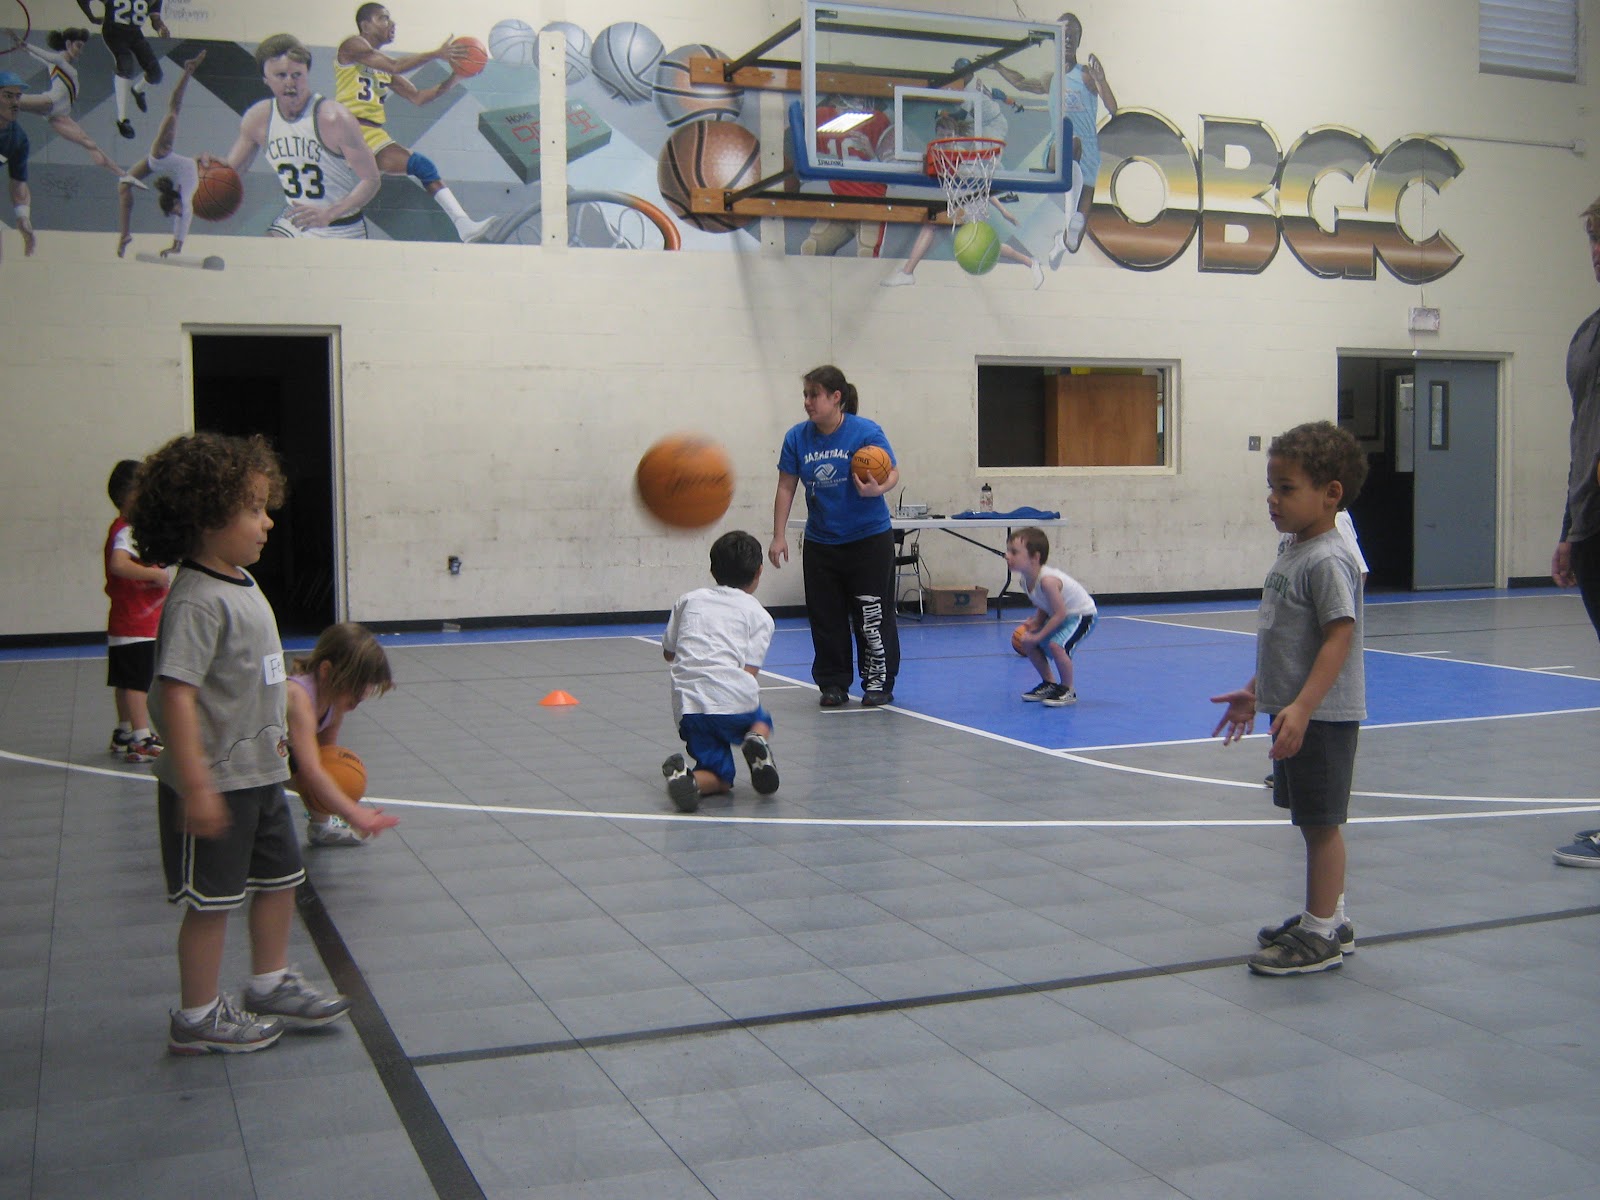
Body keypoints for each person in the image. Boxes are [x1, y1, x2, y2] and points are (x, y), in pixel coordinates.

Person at [132, 431, 350, 1055]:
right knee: (212, 903)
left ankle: (270, 980)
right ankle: (197, 1016)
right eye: (253, 508)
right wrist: (196, 784)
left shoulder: (242, 583)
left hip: (260, 775)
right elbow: (176, 694)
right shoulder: (197, 601)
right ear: (206, 518)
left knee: (280, 879)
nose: (268, 520)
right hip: (216, 783)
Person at [1210, 420, 1368, 976]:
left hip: (1322, 716)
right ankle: (1330, 917)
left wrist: (1302, 707)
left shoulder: (1327, 559)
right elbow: (1287, 639)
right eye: (1271, 487)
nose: (1272, 499)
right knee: (1309, 820)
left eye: (1286, 488)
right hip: (1296, 710)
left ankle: (1321, 935)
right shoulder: (1294, 549)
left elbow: (1338, 637)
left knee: (1322, 824)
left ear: (1330, 494)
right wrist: (1258, 693)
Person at [768, 364, 901, 707]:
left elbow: (892, 472)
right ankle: (833, 683)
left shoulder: (865, 431)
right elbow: (786, 487)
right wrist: (779, 535)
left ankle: (878, 682)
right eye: (805, 395)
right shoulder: (796, 438)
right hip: (821, 541)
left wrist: (878, 489)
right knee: (826, 616)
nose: (807, 402)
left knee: (871, 615)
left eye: (814, 395)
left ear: (836, 397)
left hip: (868, 539)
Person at [336, 4, 496, 243]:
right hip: (350, 130)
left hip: (372, 133)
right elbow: (395, 65)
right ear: (365, 25)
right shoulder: (353, 46)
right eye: (383, 18)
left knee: (422, 167)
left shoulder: (382, 68)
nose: (392, 24)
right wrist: (436, 54)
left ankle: (464, 226)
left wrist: (455, 77)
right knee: (415, 167)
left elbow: (418, 97)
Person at [881, 62, 1043, 288]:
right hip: (954, 199)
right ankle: (907, 272)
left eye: (947, 134)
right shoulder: (938, 154)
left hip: (970, 203)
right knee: (935, 227)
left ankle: (1030, 262)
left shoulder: (964, 156)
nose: (943, 137)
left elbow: (980, 188)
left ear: (955, 136)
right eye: (940, 134)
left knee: (984, 244)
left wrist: (1003, 210)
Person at [211, 34, 381, 239]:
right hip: (295, 221)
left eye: (297, 74)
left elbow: (371, 180)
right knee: (264, 251)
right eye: (281, 75)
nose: (290, 82)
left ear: (306, 73)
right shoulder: (259, 118)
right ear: (265, 79)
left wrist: (329, 214)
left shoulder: (335, 117)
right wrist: (204, 173)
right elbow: (232, 173)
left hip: (340, 224)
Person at [660, 531, 779, 814]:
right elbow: (749, 672)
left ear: (712, 569)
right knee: (760, 719)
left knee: (720, 776)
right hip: (734, 703)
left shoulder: (688, 600)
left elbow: (668, 653)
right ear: (759, 571)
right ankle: (756, 740)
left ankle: (688, 781)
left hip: (690, 708)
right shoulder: (760, 616)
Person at [1551, 194, 1600, 868]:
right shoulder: (1588, 331)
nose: (1598, 252)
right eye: (1594, 239)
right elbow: (1581, 433)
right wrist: (1570, 526)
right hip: (1592, 528)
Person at [994, 11, 1117, 266]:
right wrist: (998, 66)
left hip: (1089, 153)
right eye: (1065, 34)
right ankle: (1070, 217)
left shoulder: (1086, 75)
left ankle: (1062, 242)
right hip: (1059, 146)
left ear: (1079, 40)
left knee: (1074, 244)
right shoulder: (1051, 79)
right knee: (1071, 142)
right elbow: (1021, 83)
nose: (1068, 39)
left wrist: (1102, 81)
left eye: (1073, 36)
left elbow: (1113, 108)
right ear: (1056, 38)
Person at [286, 622, 401, 846]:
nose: (363, 694)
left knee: (331, 767)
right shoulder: (297, 697)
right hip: (239, 764)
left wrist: (337, 805)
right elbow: (310, 770)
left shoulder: (333, 700)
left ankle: (321, 827)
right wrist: (353, 813)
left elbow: (326, 759)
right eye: (356, 686)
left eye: (367, 686)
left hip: (276, 761)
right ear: (326, 671)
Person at [104, 458, 170, 763]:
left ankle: (124, 730)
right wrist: (154, 575)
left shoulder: (121, 527)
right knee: (137, 682)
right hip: (136, 623)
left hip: (124, 621)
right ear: (130, 494)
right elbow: (119, 564)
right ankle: (142, 737)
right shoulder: (128, 530)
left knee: (124, 679)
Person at [116, 51, 204, 259]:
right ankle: (125, 235)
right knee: (174, 110)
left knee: (174, 111)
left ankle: (188, 70)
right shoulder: (184, 201)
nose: (177, 214)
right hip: (162, 157)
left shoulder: (183, 200)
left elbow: (181, 221)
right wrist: (177, 246)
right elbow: (184, 219)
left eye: (174, 212)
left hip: (161, 159)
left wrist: (176, 246)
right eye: (175, 212)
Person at [20, 29, 135, 180]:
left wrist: (25, 48)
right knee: (15, 102)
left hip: (60, 115)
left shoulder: (61, 64)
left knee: (90, 143)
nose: (80, 51)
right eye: (78, 46)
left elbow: (39, 56)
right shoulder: (59, 59)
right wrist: (26, 45)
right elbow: (45, 55)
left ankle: (122, 174)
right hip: (50, 103)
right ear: (68, 44)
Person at [1005, 526, 1097, 705]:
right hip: (1061, 614)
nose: (1007, 556)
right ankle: (1049, 683)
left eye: (1014, 552)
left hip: (1081, 615)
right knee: (1027, 641)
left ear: (1035, 557)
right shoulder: (1025, 580)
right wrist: (1036, 622)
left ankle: (1068, 689)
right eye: (1008, 551)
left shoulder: (1047, 581)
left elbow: (1060, 614)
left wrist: (1039, 634)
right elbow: (1044, 604)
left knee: (1057, 646)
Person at [75, 0, 168, 140]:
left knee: (156, 75)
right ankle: (122, 119)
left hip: (135, 34)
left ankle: (137, 90)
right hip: (114, 32)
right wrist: (91, 17)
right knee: (126, 65)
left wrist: (161, 28)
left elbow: (155, 19)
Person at [0, 71, 37, 262]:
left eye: (18, 96)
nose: (15, 103)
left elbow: (18, 183)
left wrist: (23, 217)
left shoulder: (18, 139)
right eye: (8, 96)